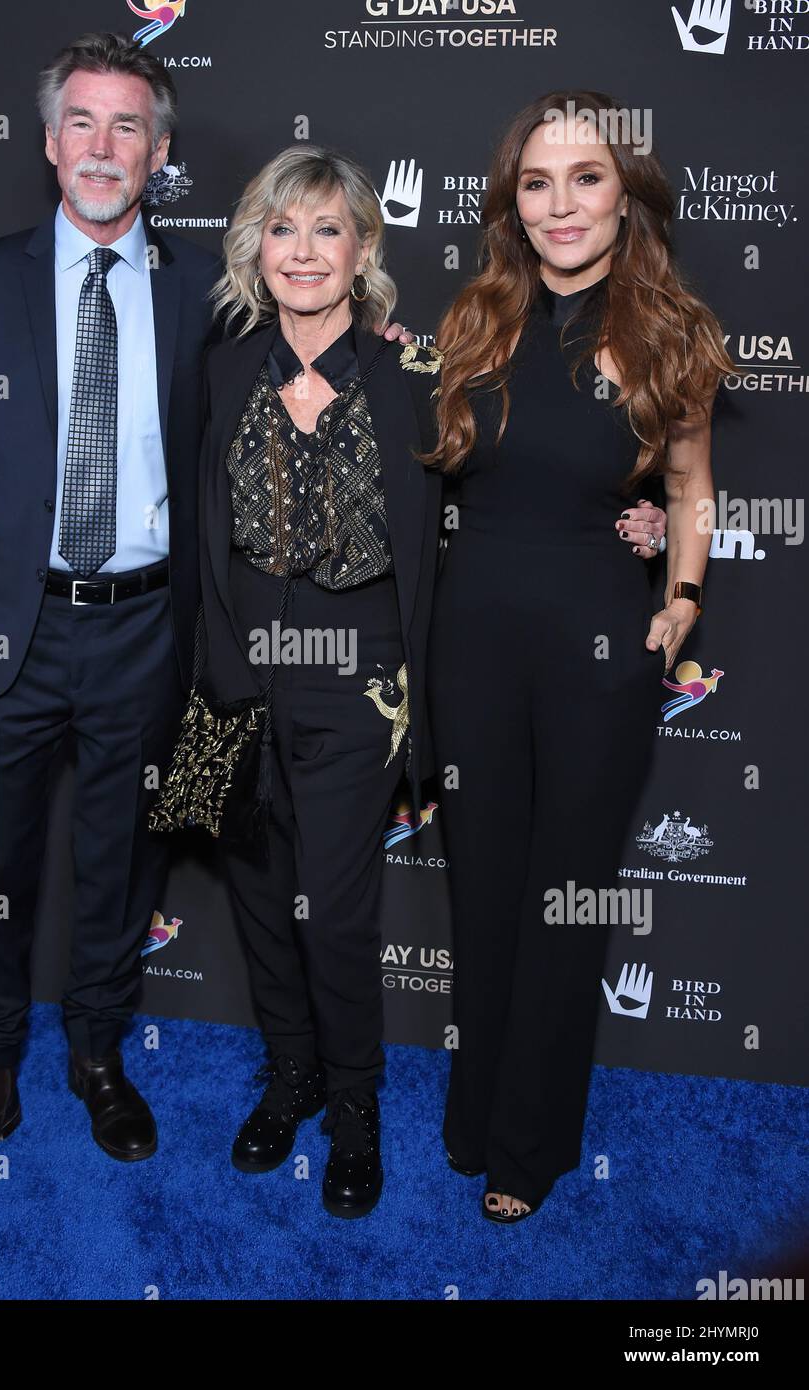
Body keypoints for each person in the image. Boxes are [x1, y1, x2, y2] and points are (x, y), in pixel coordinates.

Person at [0, 32, 222, 1214]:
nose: (102, 146)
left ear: (158, 152)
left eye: (127, 126)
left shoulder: (205, 291)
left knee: (118, 864)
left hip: (148, 630)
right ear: (48, 145)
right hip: (10, 633)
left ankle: (96, 1058)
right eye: (81, 123)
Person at [425, 90, 732, 1222]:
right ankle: (471, 1111)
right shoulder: (475, 319)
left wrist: (682, 592)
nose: (560, 204)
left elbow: (691, 487)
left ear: (625, 193)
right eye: (537, 182)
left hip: (599, 648)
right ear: (514, 199)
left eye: (586, 177)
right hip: (471, 645)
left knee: (563, 896)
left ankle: (529, 1143)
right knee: (485, 890)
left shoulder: (666, 332)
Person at [181, 146, 443, 1219]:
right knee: (256, 889)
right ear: (255, 246)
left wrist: (642, 520)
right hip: (235, 663)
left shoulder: (413, 374)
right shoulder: (221, 363)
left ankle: (352, 1105)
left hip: (355, 674)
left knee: (331, 908)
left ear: (363, 250)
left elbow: (498, 506)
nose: (302, 251)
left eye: (326, 229)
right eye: (282, 229)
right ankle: (286, 1075)